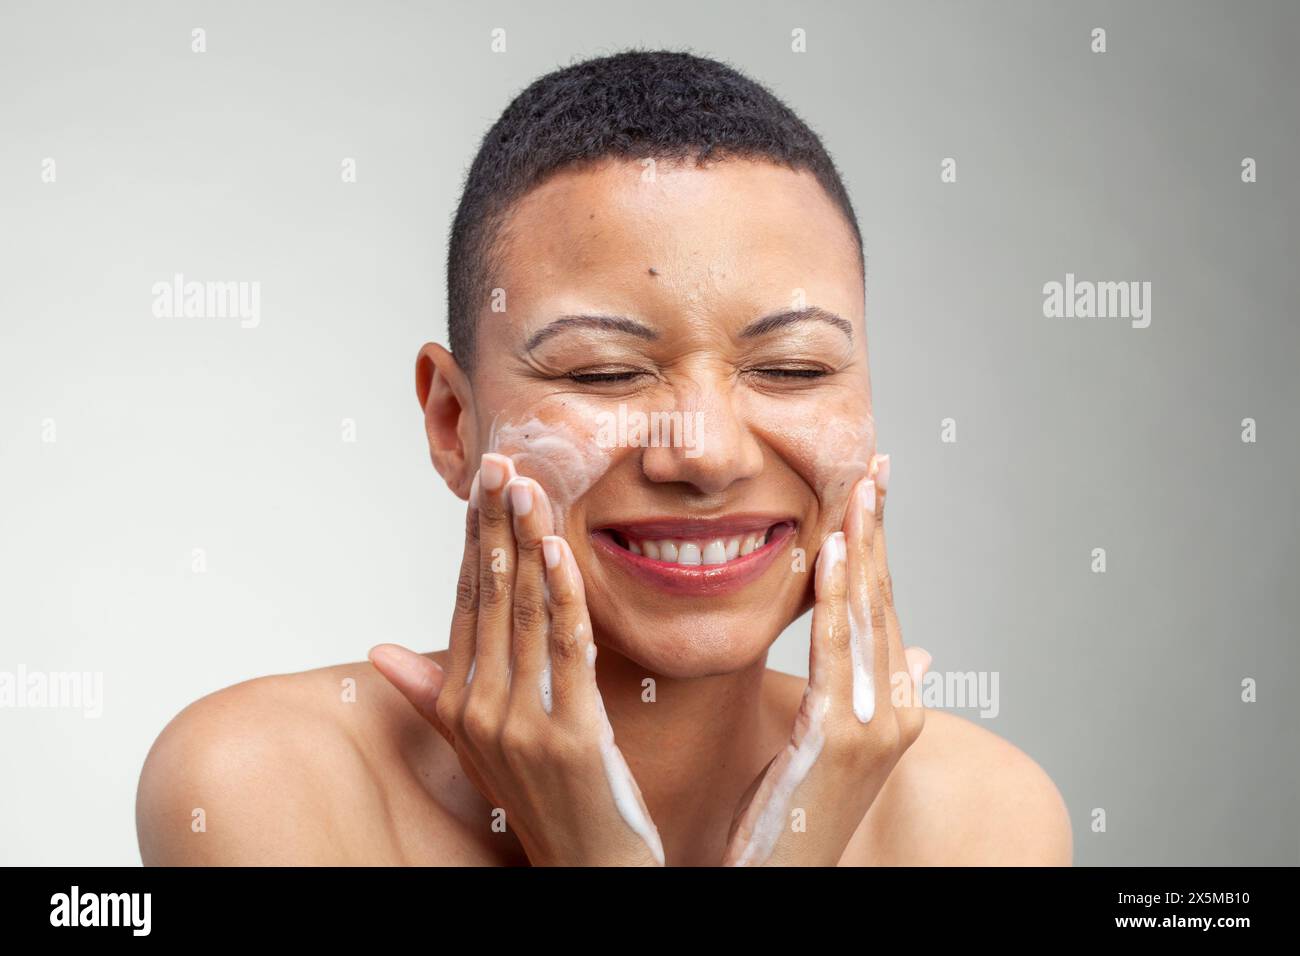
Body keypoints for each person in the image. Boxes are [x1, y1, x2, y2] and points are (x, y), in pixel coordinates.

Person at [136, 49, 1071, 866]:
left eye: (792, 367)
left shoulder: (978, 818)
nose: (703, 453)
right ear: (454, 423)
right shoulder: (265, 786)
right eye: (608, 372)